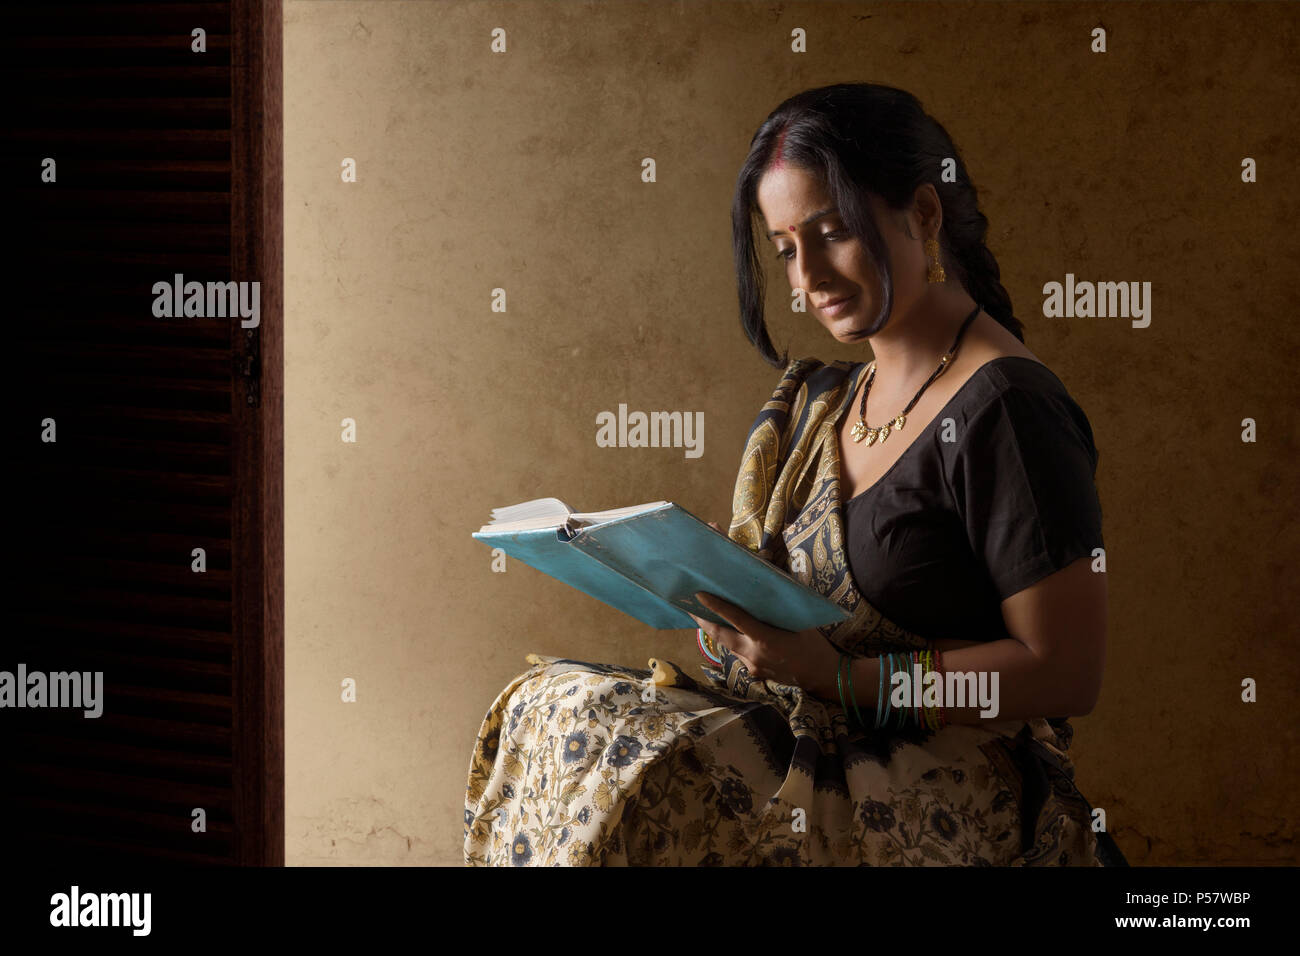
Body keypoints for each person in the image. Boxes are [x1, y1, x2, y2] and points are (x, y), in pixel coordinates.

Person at [464, 82, 1127, 866]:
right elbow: (806, 630)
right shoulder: (829, 402)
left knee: (655, 767)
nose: (807, 274)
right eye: (785, 248)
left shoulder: (1007, 408)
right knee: (555, 704)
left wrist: (845, 680)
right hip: (809, 732)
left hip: (948, 774)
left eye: (833, 232)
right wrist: (728, 600)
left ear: (922, 215)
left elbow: (1065, 672)